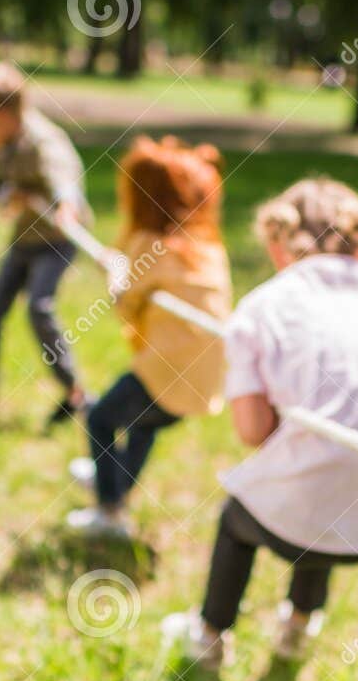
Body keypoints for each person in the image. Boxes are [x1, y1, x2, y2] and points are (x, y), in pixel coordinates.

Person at [163, 177, 358, 668]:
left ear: (279, 244)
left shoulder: (263, 305)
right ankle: (299, 627)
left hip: (304, 525)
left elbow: (253, 432)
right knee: (322, 469)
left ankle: (210, 638)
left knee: (240, 516)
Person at [67, 136, 233, 539]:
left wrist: (114, 272)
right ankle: (116, 484)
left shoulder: (152, 245)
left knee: (102, 418)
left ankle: (110, 513)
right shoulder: (208, 247)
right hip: (209, 376)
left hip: (169, 370)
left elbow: (124, 302)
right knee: (144, 424)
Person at [0, 61, 91, 428]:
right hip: (24, 241)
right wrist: (8, 198)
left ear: (2, 115)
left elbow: (63, 175)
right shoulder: (3, 145)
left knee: (39, 308)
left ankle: (75, 392)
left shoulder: (43, 139)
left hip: (56, 242)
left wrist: (66, 205)